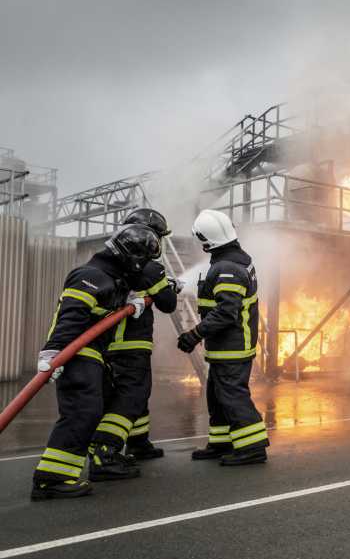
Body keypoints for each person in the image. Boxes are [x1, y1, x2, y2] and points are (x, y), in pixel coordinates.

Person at [31, 225, 161, 500]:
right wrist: (53, 351)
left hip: (93, 355)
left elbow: (104, 306)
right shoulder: (91, 276)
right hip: (77, 354)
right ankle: (51, 479)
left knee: (94, 409)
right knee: (82, 411)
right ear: (133, 258)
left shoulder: (108, 277)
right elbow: (72, 314)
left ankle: (61, 473)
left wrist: (130, 302)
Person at [177, 209, 268, 465]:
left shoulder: (228, 268)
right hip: (225, 346)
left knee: (232, 395)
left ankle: (253, 448)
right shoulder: (232, 261)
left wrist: (195, 334)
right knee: (217, 396)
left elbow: (226, 312)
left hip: (233, 346)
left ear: (207, 241)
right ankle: (221, 442)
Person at [95, 208, 179, 461]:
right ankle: (106, 450)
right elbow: (168, 304)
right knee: (131, 396)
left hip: (107, 342)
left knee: (133, 394)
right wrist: (168, 287)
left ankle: (138, 442)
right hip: (131, 344)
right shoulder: (150, 268)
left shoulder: (113, 262)